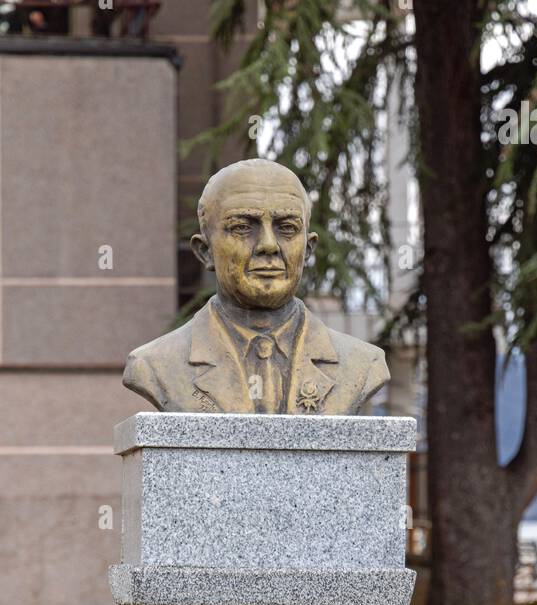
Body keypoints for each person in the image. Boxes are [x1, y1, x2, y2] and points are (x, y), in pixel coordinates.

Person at [123, 159, 389, 415]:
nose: (269, 245)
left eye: (286, 227)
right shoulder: (155, 365)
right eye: (241, 227)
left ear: (308, 249)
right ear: (205, 251)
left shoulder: (364, 364)